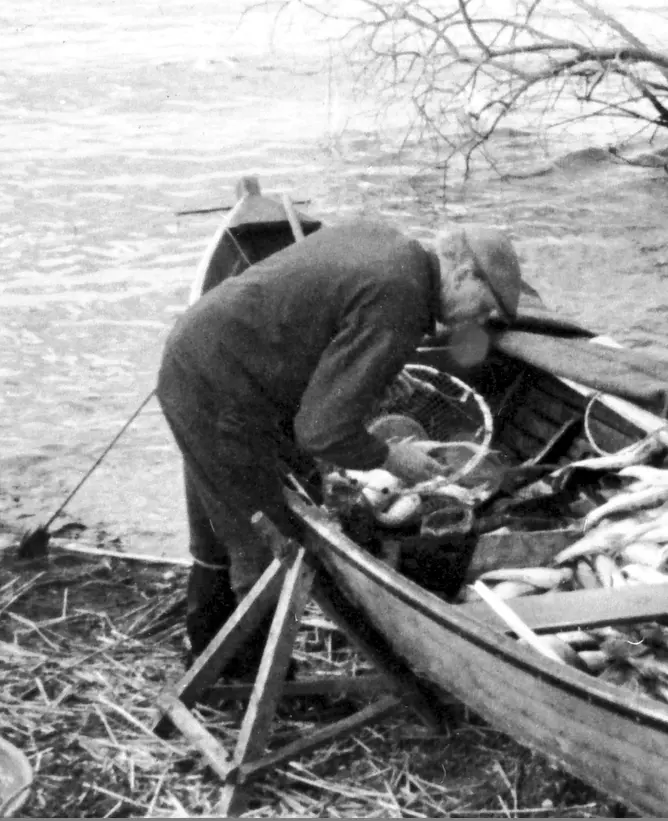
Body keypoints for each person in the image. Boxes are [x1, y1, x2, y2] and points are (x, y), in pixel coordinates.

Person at [157, 221, 523, 675]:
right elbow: (322, 432)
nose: (478, 321)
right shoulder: (401, 298)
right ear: (464, 273)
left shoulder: (393, 247)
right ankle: (251, 682)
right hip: (222, 391)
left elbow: (318, 318)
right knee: (263, 541)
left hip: (202, 353)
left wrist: (376, 370)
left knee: (220, 522)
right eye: (484, 307)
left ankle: (207, 655)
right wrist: (392, 457)